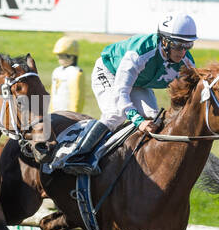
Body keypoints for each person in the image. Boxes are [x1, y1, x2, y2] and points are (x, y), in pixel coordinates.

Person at [60, 13, 198, 172]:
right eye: (178, 45)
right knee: (115, 114)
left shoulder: (186, 62)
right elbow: (121, 93)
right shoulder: (140, 52)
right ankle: (77, 156)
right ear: (164, 41)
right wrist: (138, 121)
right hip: (109, 72)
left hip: (138, 82)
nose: (182, 52)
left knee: (154, 118)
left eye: (188, 46)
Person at [50, 36, 84, 114]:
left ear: (72, 56)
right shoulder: (57, 71)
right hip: (55, 112)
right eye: (59, 56)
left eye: (62, 56)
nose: (59, 58)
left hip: (68, 114)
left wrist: (74, 115)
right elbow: (53, 94)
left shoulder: (76, 72)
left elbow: (77, 97)